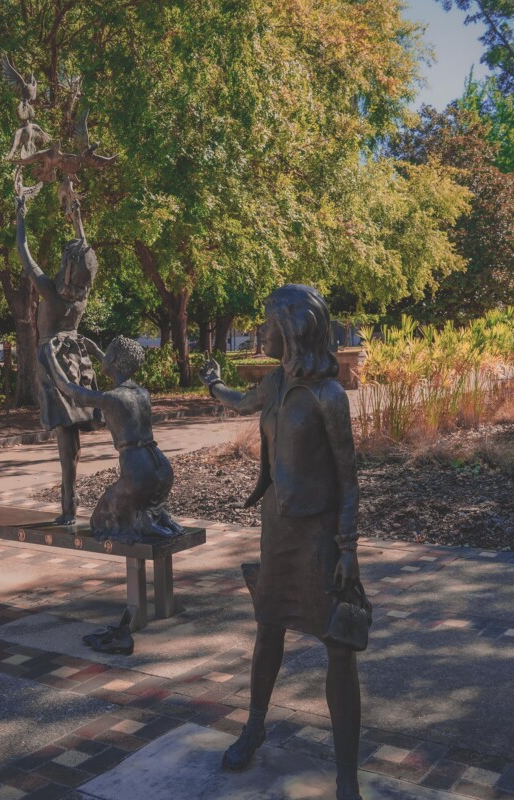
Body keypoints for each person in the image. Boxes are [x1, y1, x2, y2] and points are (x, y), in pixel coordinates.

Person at [199, 284, 364, 800]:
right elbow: (239, 399)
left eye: (266, 323)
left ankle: (346, 774)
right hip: (278, 529)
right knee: (268, 626)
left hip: (318, 536)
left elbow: (349, 477)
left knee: (339, 645)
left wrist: (349, 548)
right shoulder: (272, 385)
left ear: (292, 328)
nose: (260, 331)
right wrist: (213, 386)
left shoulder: (328, 396)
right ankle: (255, 724)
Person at [17, 195, 103, 525]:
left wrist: (21, 216)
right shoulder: (80, 298)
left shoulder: (49, 291)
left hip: (52, 362)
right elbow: (85, 250)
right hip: (76, 360)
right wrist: (78, 218)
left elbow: (24, 252)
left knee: (66, 434)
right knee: (71, 434)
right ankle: (70, 495)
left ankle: (69, 501)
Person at [45, 335, 183, 543]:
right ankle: (151, 520)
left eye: (107, 353)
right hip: (161, 468)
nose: (103, 357)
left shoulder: (112, 399)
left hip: (138, 472)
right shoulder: (142, 393)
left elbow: (68, 389)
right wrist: (95, 350)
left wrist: (50, 356)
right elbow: (120, 369)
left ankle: (146, 522)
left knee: (101, 519)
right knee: (146, 508)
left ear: (114, 359)